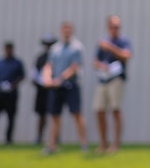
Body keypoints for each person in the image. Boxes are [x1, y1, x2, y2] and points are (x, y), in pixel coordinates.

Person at [42, 21, 88, 155]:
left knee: (77, 113)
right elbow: (49, 65)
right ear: (62, 31)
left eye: (69, 29)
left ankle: (84, 144)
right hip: (56, 87)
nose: (66, 31)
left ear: (72, 31)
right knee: (55, 116)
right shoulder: (56, 48)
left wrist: (60, 79)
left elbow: (75, 67)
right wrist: (47, 78)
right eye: (64, 29)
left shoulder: (77, 47)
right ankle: (52, 145)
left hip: (71, 85)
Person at [93, 14, 133, 154]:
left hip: (117, 79)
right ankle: (104, 144)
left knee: (116, 110)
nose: (115, 29)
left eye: (118, 26)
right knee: (99, 111)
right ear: (108, 27)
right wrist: (101, 66)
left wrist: (111, 48)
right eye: (113, 26)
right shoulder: (103, 42)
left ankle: (116, 144)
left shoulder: (123, 41)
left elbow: (127, 56)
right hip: (103, 79)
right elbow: (95, 61)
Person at [0, 41, 26, 145]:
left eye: (10, 49)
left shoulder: (17, 63)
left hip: (11, 95)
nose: (8, 51)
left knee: (11, 118)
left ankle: (8, 139)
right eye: (6, 49)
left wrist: (13, 85)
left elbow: (22, 76)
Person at [32, 34, 58, 145]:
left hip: (53, 89)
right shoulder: (40, 58)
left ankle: (55, 138)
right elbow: (34, 74)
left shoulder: (57, 57)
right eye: (47, 45)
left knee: (55, 115)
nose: (49, 47)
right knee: (42, 115)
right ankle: (40, 137)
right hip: (42, 90)